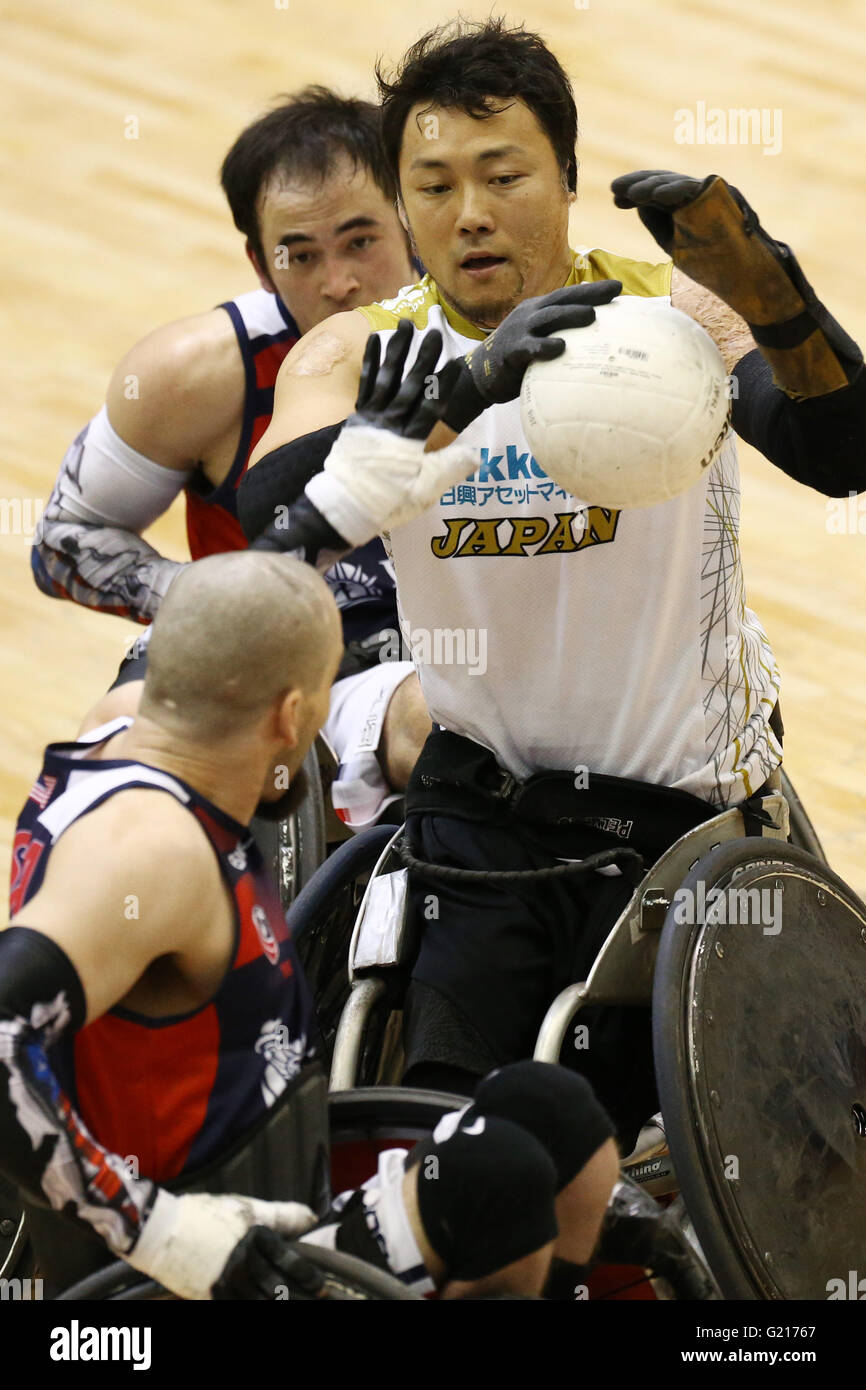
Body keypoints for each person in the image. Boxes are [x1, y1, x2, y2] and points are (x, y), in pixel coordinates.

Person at [237, 18, 866, 1144]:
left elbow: (844, 452)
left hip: (687, 823)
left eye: (502, 174)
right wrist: (470, 384)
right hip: (486, 819)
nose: (467, 211)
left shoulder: (671, 310)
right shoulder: (362, 353)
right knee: (466, 1167)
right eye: (430, 185)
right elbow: (273, 520)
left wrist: (778, 302)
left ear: (567, 181)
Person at [1, 346, 621, 1302]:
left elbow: (232, 615)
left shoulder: (138, 721)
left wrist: (340, 501)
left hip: (268, 1192)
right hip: (176, 1276)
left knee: (553, 1114)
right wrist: (158, 1232)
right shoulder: (153, 850)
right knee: (497, 1185)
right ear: (294, 718)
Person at [31, 88, 430, 832]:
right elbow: (62, 544)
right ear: (258, 261)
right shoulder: (198, 373)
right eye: (299, 255)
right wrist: (224, 604)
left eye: (360, 240)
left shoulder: (488, 333)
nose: (337, 282)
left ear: (410, 222)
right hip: (262, 675)